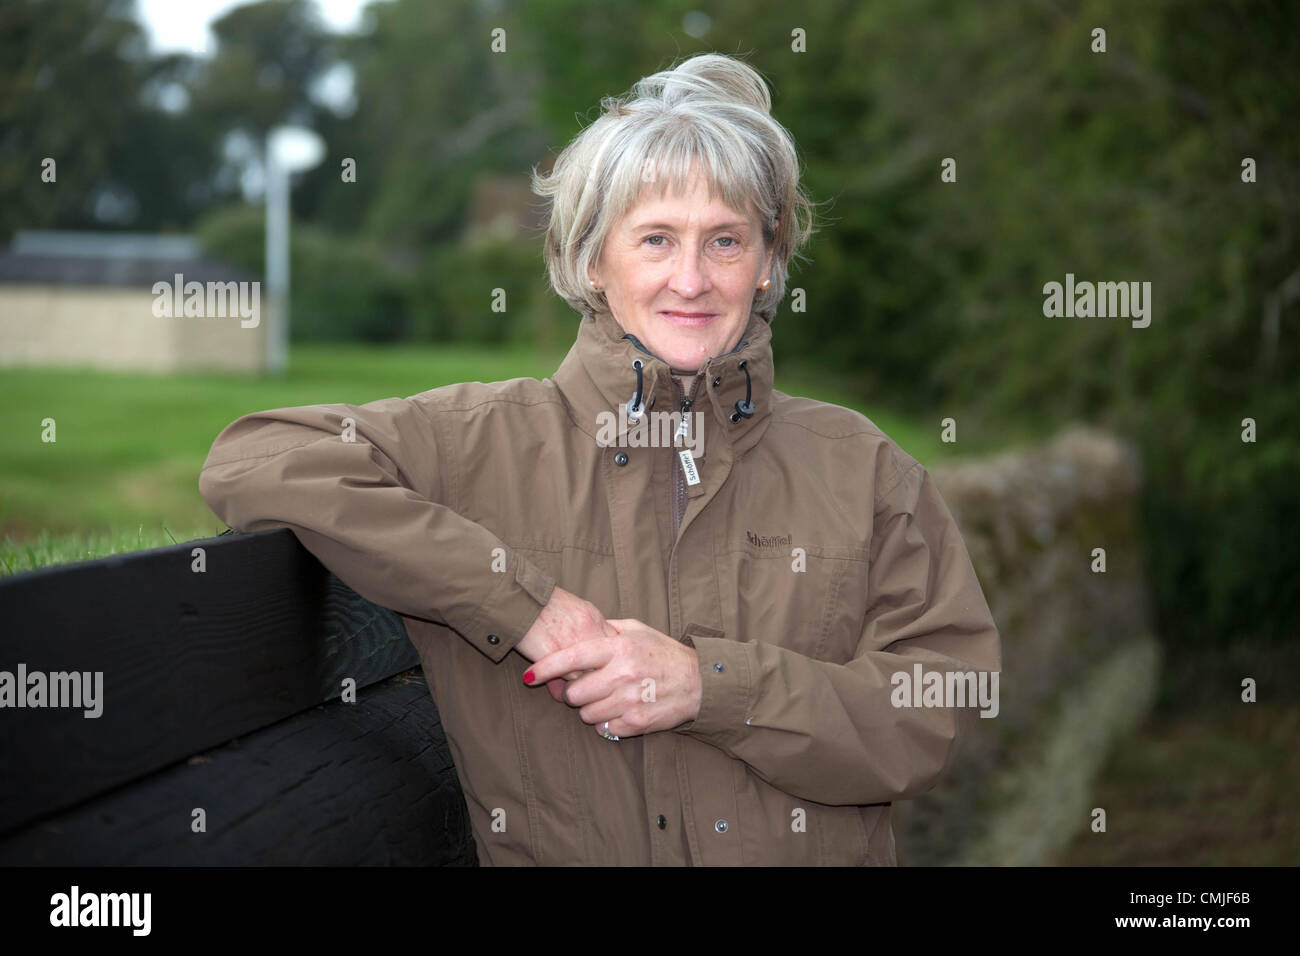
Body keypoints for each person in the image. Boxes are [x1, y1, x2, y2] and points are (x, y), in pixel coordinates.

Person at [198, 52, 1001, 866]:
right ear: (590, 259)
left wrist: (710, 686)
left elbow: (936, 708)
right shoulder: (482, 439)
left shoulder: (862, 467)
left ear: (765, 264)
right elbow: (258, 457)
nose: (690, 279)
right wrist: (524, 605)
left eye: (724, 241)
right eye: (656, 239)